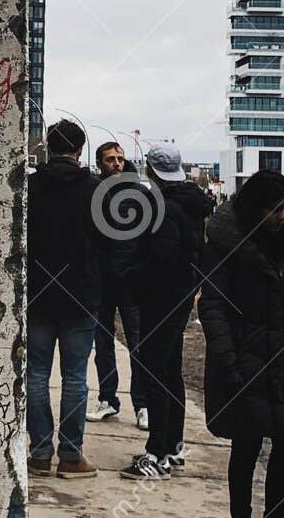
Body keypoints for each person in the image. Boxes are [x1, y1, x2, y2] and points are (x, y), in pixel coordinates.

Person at [199, 169, 284, 518]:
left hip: (283, 359)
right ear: (256, 207)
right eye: (274, 209)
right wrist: (228, 360)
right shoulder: (226, 246)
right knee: (247, 444)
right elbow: (212, 304)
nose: (282, 217)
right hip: (245, 360)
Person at [122, 144, 211, 481]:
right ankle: (173, 445)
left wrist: (131, 278)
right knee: (171, 371)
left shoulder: (164, 209)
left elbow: (160, 259)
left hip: (160, 299)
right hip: (182, 296)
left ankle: (156, 452)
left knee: (154, 372)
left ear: (151, 171)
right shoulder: (193, 206)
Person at [26, 120, 100, 478]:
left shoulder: (29, 187)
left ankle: (40, 452)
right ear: (79, 150)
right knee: (75, 377)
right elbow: (108, 244)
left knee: (36, 374)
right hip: (81, 295)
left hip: (38, 294)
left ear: (48, 147)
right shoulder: (95, 189)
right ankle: (71, 457)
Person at [85, 141, 149, 431]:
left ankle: (143, 404)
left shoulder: (139, 193)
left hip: (133, 283)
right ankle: (108, 399)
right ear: (100, 163)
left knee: (138, 343)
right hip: (102, 281)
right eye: (110, 159)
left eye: (120, 159)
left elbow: (148, 238)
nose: (117, 163)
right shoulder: (93, 193)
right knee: (103, 343)